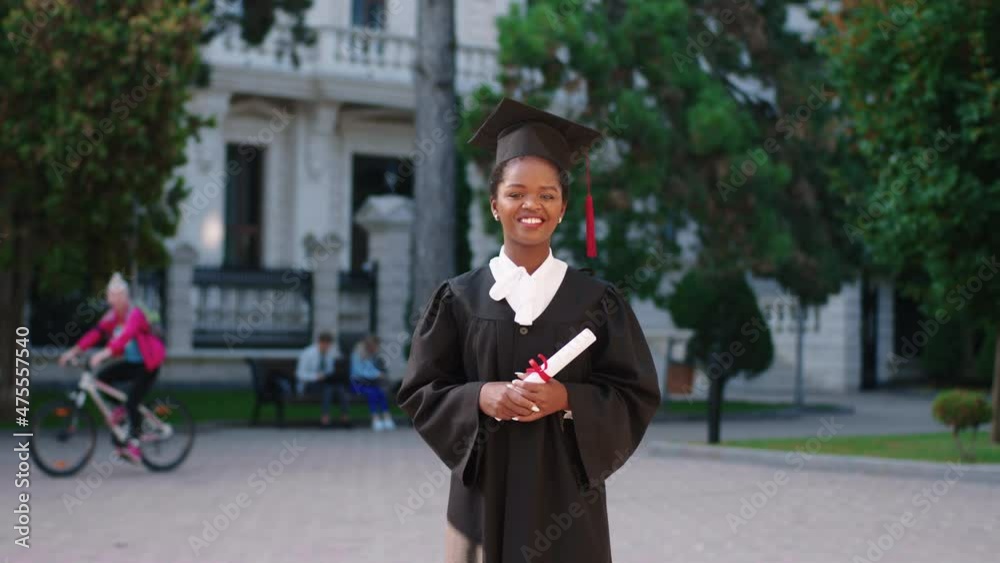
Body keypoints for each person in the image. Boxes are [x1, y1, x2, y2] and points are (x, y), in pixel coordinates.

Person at [397, 98, 661, 563]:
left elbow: (634, 394)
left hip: (567, 505)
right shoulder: (458, 300)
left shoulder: (597, 304)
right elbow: (422, 390)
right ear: (495, 204)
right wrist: (480, 396)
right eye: (516, 193)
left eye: (547, 195)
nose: (531, 205)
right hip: (482, 500)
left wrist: (568, 400)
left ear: (562, 209)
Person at [59, 272, 166, 464]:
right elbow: (96, 333)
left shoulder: (135, 313)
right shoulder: (113, 316)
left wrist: (104, 353)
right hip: (134, 363)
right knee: (102, 379)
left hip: (150, 363)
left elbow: (126, 335)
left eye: (119, 296)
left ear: (125, 296)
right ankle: (122, 413)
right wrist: (73, 351)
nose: (114, 300)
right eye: (112, 296)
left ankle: (134, 444)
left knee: (133, 400)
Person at [295, 331, 352, 426]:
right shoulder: (307, 354)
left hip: (324, 384)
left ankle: (344, 417)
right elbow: (300, 374)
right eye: (325, 344)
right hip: (308, 384)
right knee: (328, 389)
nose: (327, 347)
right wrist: (316, 377)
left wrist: (328, 377)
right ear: (320, 342)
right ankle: (325, 418)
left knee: (340, 388)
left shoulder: (328, 355)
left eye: (329, 345)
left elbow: (330, 372)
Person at [350, 335, 396, 431]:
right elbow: (358, 371)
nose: (377, 349)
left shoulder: (370, 355)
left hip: (368, 383)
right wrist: (376, 375)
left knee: (380, 392)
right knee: (372, 393)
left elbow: (371, 369)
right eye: (376, 346)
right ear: (371, 345)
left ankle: (386, 417)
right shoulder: (356, 354)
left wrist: (379, 374)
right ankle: (375, 418)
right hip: (356, 384)